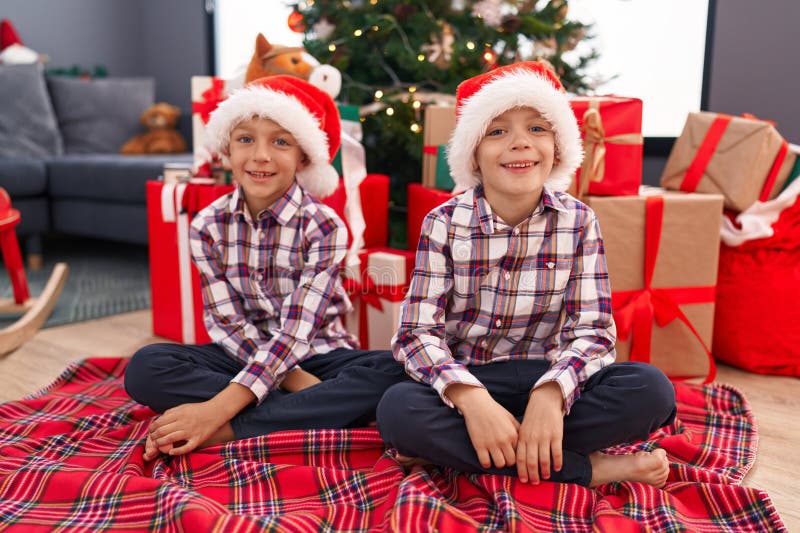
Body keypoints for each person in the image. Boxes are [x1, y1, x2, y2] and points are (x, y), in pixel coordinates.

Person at [377, 62, 676, 488]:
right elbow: (416, 333)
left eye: (537, 128)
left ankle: (474, 449)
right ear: (473, 154)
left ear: (558, 147)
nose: (520, 143)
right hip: (474, 378)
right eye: (497, 131)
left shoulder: (579, 221)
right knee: (398, 410)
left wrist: (551, 394)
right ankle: (587, 470)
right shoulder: (442, 222)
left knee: (652, 390)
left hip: (553, 378)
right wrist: (472, 400)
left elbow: (593, 331)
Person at [125, 76, 404, 460]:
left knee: (396, 370)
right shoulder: (207, 225)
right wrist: (295, 384)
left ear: (303, 158)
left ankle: (233, 428)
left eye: (281, 142)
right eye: (246, 139)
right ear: (226, 148)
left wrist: (216, 411)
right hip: (243, 352)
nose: (260, 156)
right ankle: (313, 411)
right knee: (147, 367)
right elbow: (228, 324)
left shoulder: (324, 226)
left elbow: (297, 332)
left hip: (317, 354)